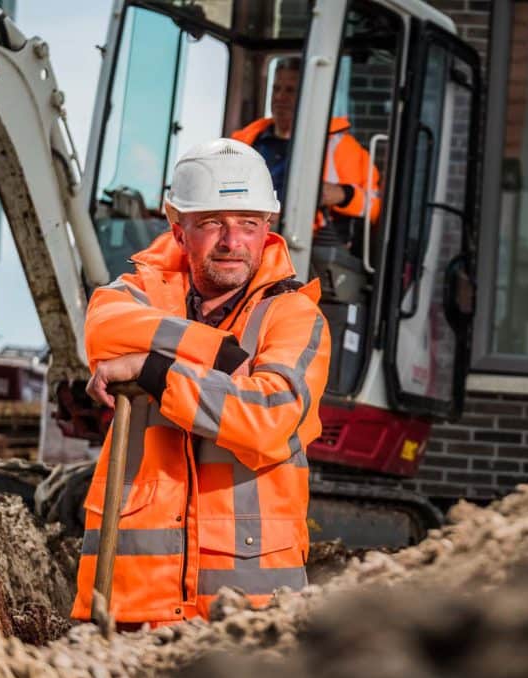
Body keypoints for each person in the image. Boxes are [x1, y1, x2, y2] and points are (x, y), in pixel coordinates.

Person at [70, 138, 331, 625]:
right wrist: (214, 352)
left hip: (249, 609)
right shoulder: (136, 293)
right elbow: (103, 329)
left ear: (267, 229)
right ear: (179, 229)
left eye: (248, 225)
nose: (232, 242)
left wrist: (152, 369)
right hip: (130, 603)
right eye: (212, 223)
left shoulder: (293, 315)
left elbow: (269, 418)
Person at [231, 57, 381, 233]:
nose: (280, 97)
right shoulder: (244, 142)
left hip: (307, 245)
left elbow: (375, 206)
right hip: (246, 238)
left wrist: (344, 194)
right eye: (276, 89)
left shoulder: (341, 146)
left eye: (290, 91)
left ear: (309, 96)